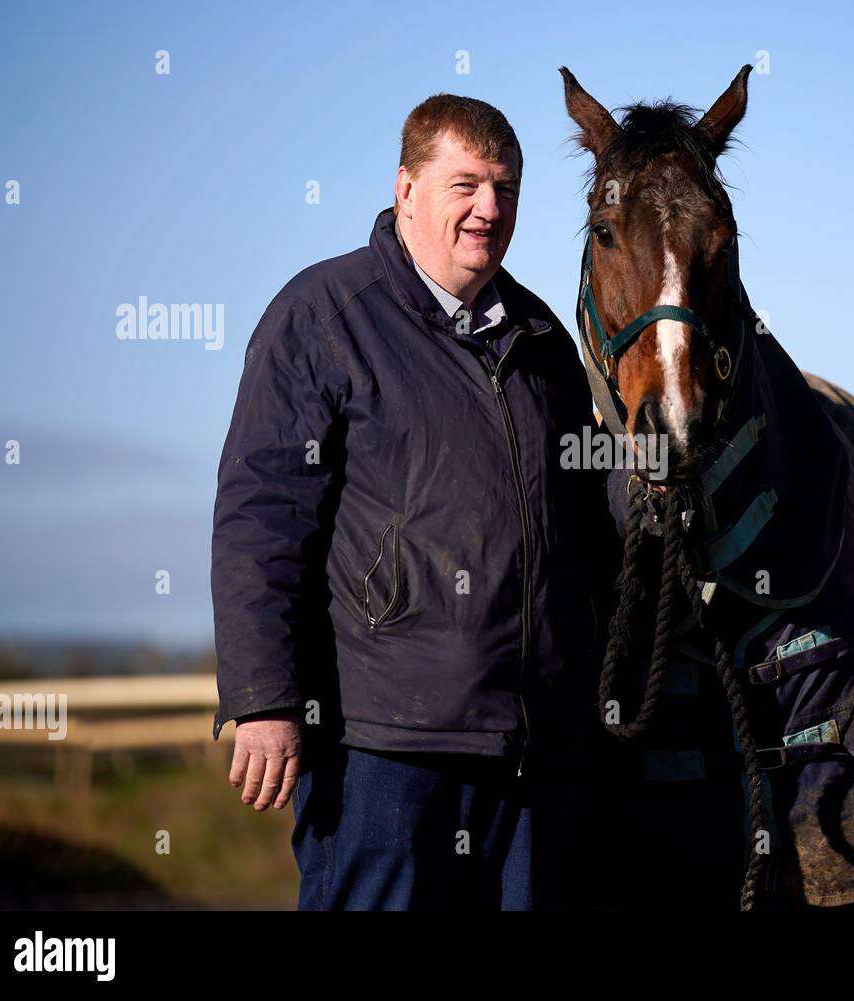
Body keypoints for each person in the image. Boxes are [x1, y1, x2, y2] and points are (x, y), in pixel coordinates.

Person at [209, 93, 613, 910]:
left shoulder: (543, 341)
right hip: (381, 747)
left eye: (506, 189)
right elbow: (261, 518)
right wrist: (265, 697)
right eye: (465, 184)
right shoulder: (323, 316)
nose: (489, 209)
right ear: (406, 190)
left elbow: (591, 524)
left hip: (531, 749)